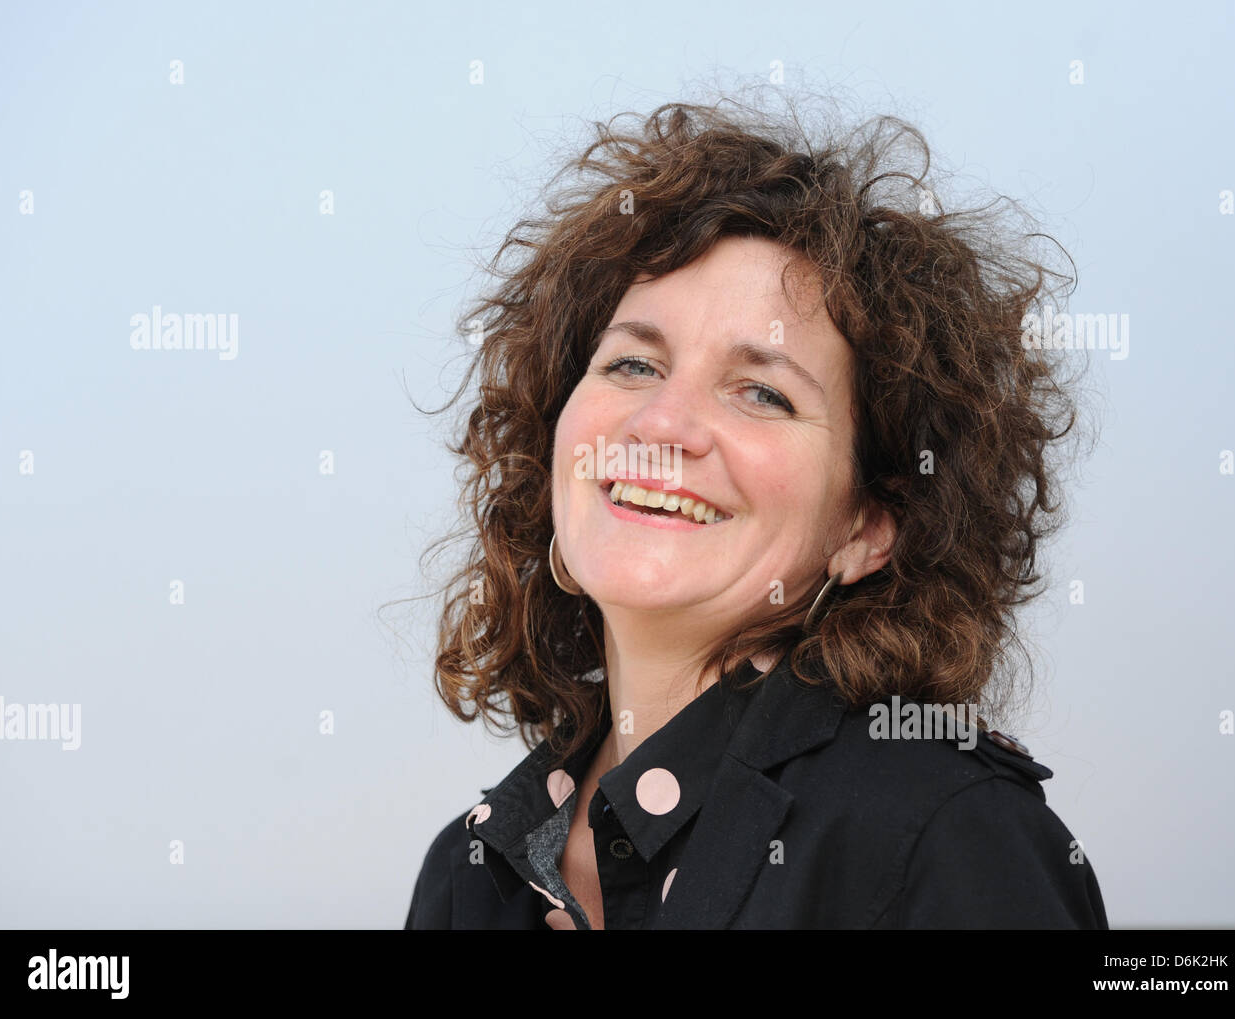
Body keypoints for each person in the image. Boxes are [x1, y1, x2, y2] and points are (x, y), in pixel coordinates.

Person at [403, 94, 1107, 930]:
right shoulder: (470, 871)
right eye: (632, 364)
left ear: (869, 525)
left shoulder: (950, 837)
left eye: (762, 392)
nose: (660, 425)